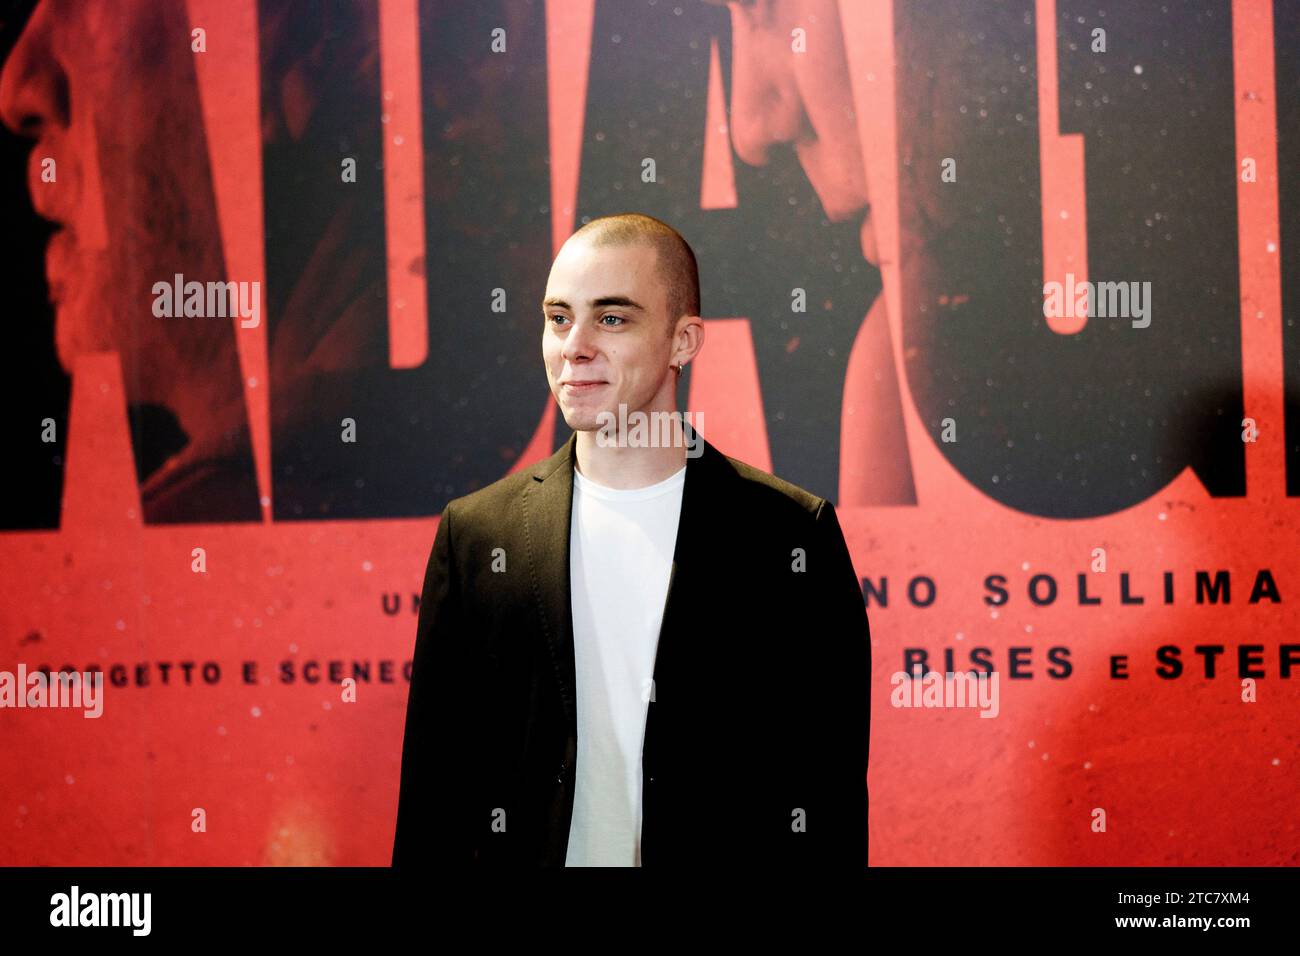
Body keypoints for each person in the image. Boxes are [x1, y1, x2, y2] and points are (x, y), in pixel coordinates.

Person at [391, 212, 871, 867]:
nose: (575, 346)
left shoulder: (788, 537)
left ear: (684, 341)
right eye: (559, 318)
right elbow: (434, 804)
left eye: (611, 319)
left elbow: (826, 807)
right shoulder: (477, 537)